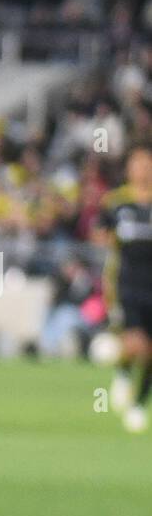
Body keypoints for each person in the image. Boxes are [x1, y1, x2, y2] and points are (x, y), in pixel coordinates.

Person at [94, 145, 152, 432]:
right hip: (128, 284)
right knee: (137, 344)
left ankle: (139, 404)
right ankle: (123, 371)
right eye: (138, 163)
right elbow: (100, 234)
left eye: (148, 164)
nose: (144, 169)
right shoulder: (116, 203)